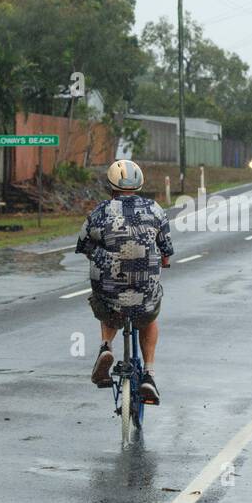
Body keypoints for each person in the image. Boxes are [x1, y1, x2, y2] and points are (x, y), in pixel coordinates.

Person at [75, 159, 173, 405]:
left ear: (111, 185)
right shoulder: (155, 210)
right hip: (143, 293)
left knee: (105, 303)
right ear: (139, 184)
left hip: (110, 291)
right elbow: (166, 250)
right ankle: (149, 374)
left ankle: (106, 346)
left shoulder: (99, 212)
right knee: (149, 316)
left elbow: (83, 245)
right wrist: (161, 260)